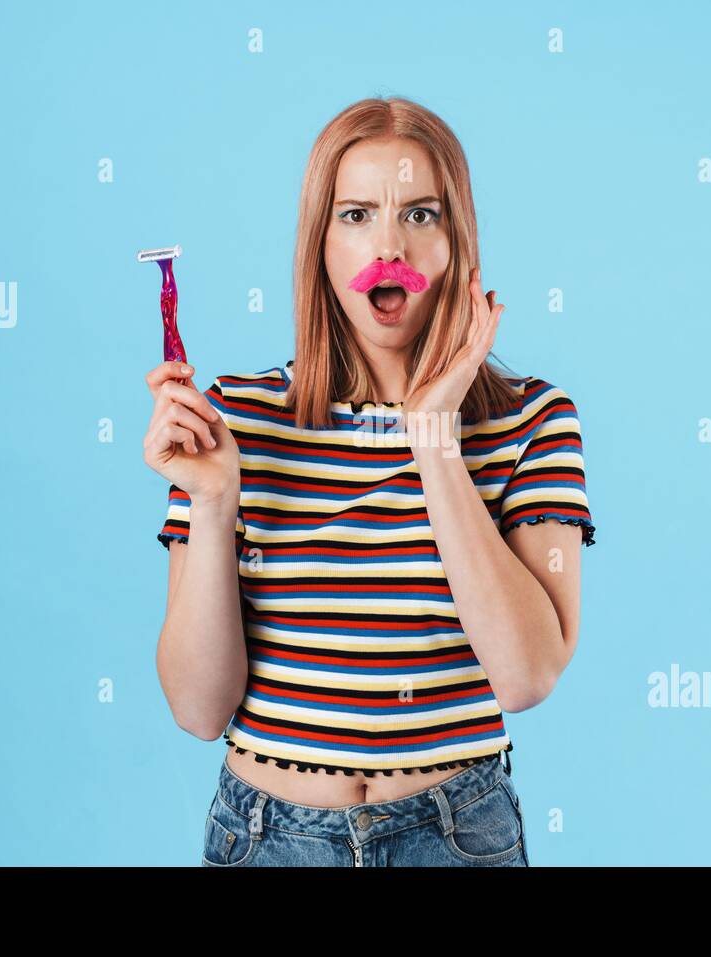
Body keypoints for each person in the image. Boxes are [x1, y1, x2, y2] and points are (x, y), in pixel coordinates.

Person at [142, 96, 595, 866]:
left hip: (456, 836)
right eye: (355, 215)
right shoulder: (234, 420)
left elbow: (526, 675)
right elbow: (196, 707)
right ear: (318, 243)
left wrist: (434, 439)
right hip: (267, 838)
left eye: (421, 214)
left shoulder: (534, 419)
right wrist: (215, 502)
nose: (390, 245)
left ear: (458, 241)